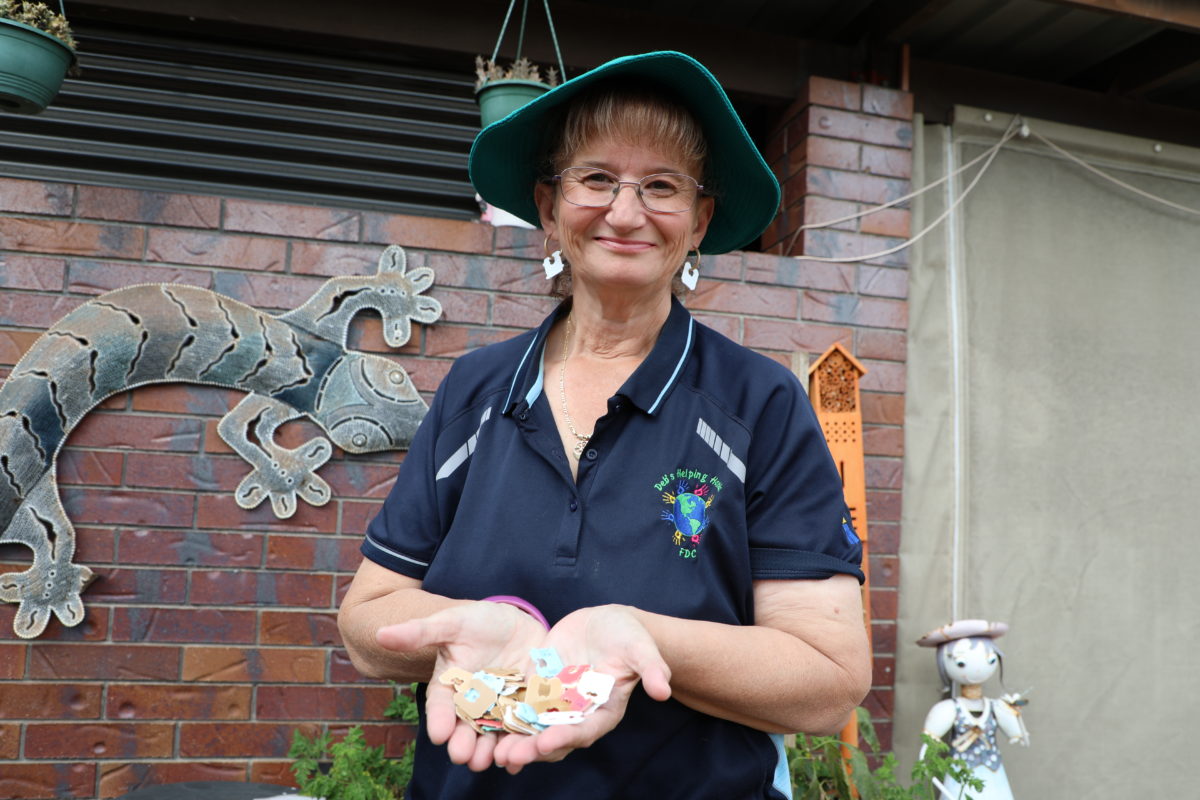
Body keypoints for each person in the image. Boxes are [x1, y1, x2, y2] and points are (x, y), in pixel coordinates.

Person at [338, 50, 870, 799]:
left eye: (662, 186)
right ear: (549, 208)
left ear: (699, 221)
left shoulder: (759, 403)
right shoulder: (477, 388)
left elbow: (828, 677)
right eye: (595, 179)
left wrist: (638, 637)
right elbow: (367, 621)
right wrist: (495, 621)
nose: (626, 212)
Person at [917, 620, 1031, 800]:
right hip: (959, 774)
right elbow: (925, 748)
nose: (978, 669)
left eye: (990, 660)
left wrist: (1013, 714)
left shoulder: (996, 707)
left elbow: (1020, 737)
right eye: (961, 663)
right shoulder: (949, 709)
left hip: (993, 771)